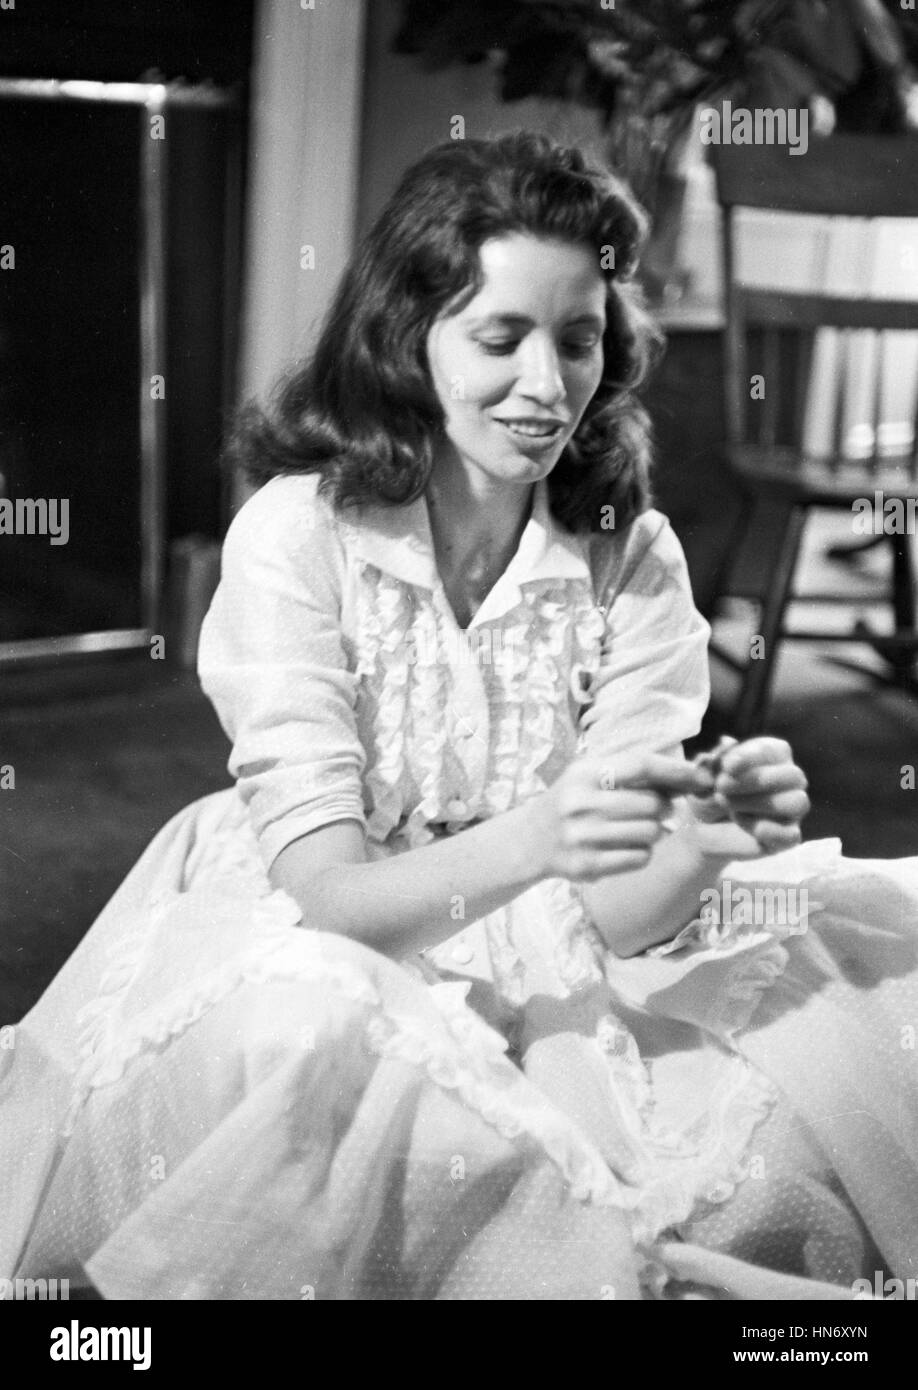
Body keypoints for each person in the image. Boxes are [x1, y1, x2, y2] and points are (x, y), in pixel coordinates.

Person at [2, 132, 916, 1301]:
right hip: (331, 917)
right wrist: (543, 835)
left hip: (558, 939)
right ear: (404, 339)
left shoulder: (630, 553)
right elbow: (331, 902)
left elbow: (623, 920)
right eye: (501, 338)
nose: (548, 385)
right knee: (312, 1049)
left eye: (578, 339)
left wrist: (703, 848)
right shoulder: (297, 535)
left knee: (841, 1033)